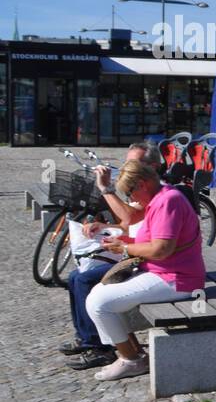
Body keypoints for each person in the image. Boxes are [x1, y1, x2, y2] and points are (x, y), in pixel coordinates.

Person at [85, 160, 206, 382]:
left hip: (177, 279)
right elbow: (153, 241)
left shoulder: (168, 201)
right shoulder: (162, 197)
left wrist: (124, 247)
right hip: (166, 272)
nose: (131, 200)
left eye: (130, 193)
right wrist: (122, 240)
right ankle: (132, 354)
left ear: (142, 184)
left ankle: (132, 360)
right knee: (99, 294)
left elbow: (161, 249)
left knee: (99, 302)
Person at [60, 141, 163, 370]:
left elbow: (130, 219)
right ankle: (86, 336)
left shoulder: (153, 190)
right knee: (76, 276)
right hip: (135, 251)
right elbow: (131, 225)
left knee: (86, 280)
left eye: (133, 163)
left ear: (152, 167)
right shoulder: (144, 188)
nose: (126, 167)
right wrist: (104, 226)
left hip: (144, 260)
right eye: (126, 162)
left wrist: (106, 189)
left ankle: (99, 348)